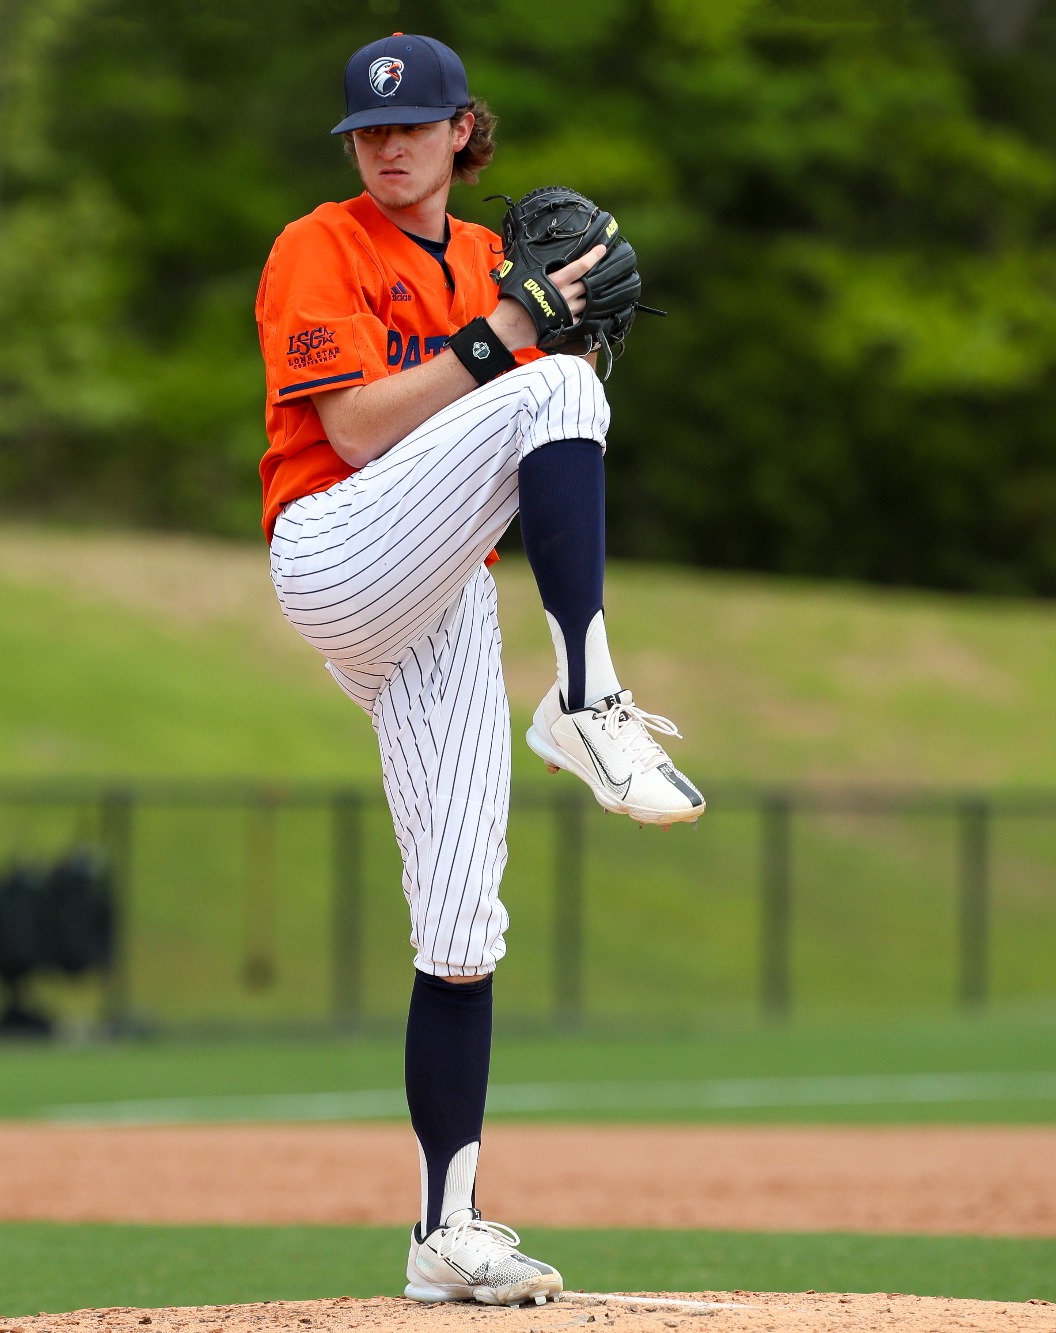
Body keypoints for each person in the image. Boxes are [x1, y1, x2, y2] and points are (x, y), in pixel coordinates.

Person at [255, 32, 706, 1309]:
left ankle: (442, 1230)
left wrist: (528, 329)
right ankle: (583, 701)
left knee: (460, 928)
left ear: (465, 132)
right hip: (336, 545)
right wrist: (509, 335)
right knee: (552, 380)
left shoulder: (478, 257)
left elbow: (517, 445)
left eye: (413, 123)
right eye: (366, 128)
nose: (385, 143)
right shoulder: (317, 246)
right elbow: (347, 426)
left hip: (443, 587)